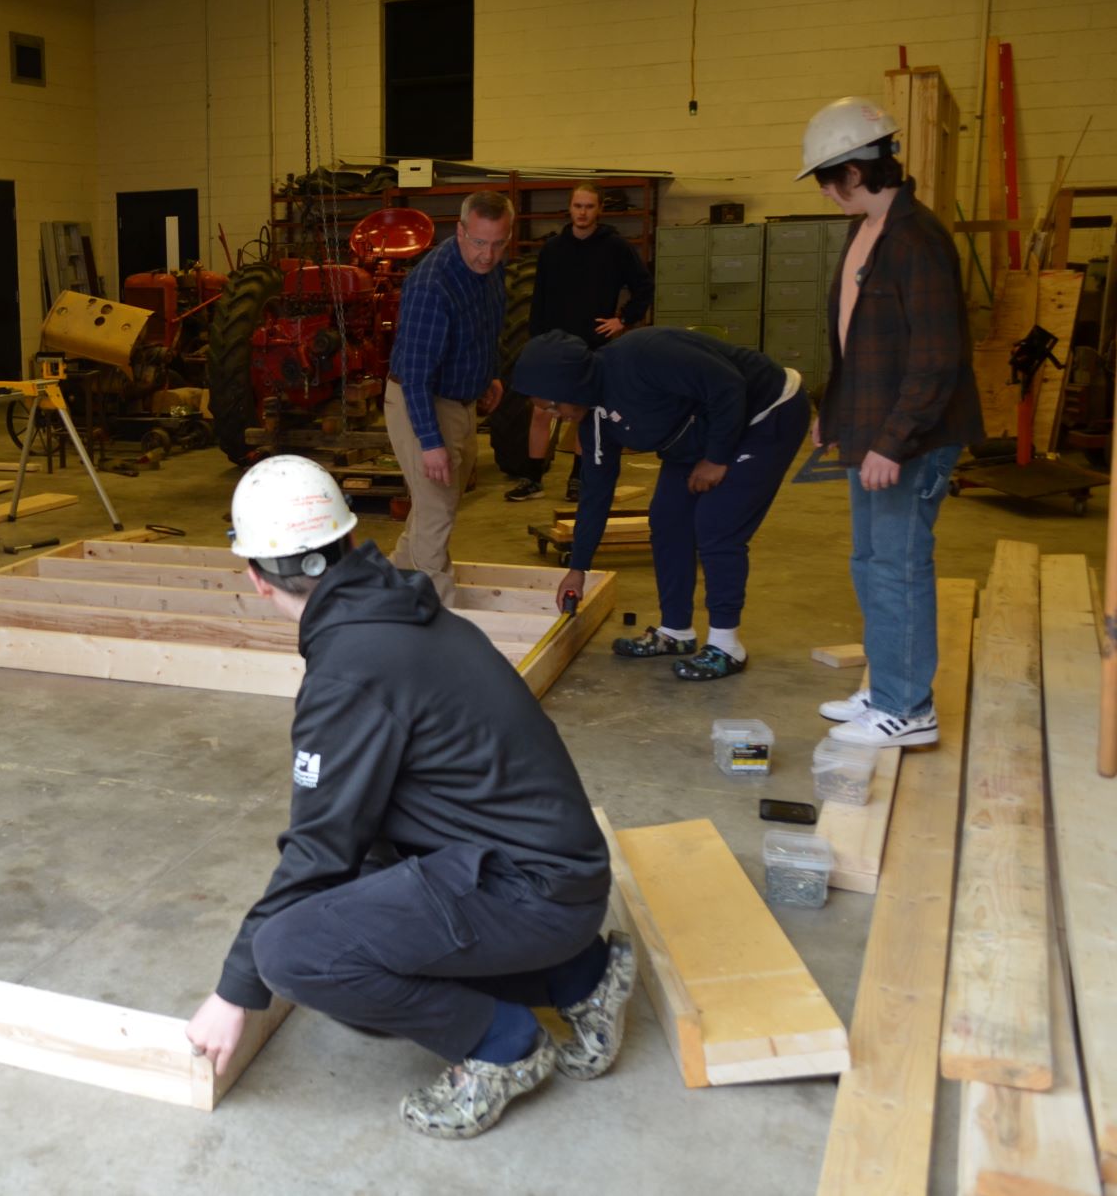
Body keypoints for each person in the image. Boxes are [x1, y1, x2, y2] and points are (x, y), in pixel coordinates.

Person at [185, 455, 633, 1140]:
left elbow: (318, 849)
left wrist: (234, 989)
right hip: (556, 874)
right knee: (354, 890)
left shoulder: (352, 668)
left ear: (255, 576)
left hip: (539, 893)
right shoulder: (394, 608)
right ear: (346, 539)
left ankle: (503, 1045)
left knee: (295, 953)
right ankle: (582, 976)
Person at [796, 97, 983, 745]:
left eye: (826, 179)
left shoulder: (916, 239)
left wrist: (893, 443)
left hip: (912, 438)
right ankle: (886, 688)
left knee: (900, 565)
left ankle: (909, 710)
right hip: (872, 429)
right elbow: (857, 340)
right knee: (871, 561)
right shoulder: (867, 230)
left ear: (855, 170)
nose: (824, 192)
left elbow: (937, 358)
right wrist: (833, 413)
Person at [513, 327, 809, 680]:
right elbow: (595, 494)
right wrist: (578, 568)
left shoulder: (644, 355)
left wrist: (717, 457)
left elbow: (728, 385)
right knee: (668, 520)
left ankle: (726, 646)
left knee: (716, 525)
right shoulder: (594, 419)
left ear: (569, 384)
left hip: (766, 412)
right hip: (696, 432)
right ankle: (676, 632)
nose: (553, 414)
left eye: (552, 404)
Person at [382, 191, 511, 602]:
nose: (487, 255)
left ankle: (385, 588)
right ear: (460, 231)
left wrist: (488, 376)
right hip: (419, 402)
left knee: (436, 507)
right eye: (478, 242)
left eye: (498, 243)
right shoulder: (431, 285)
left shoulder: (491, 268)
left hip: (460, 402)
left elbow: (486, 329)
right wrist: (430, 442)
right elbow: (416, 375)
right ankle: (434, 616)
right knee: (436, 512)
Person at [510, 184, 656, 503]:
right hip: (552, 344)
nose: (583, 212)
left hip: (591, 342)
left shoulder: (616, 247)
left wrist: (623, 319)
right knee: (541, 413)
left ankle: (578, 477)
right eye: (578, 206)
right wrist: (537, 340)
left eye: (589, 206)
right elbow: (540, 297)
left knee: (582, 411)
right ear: (570, 207)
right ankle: (532, 478)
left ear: (599, 209)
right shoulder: (552, 249)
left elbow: (644, 286)